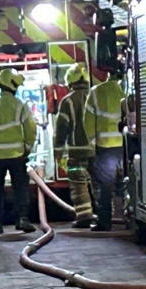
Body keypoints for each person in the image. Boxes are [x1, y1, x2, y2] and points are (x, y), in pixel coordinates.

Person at [0, 68, 37, 235]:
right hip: (16, 155)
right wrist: (27, 147)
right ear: (13, 86)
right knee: (20, 188)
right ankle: (22, 220)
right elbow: (30, 129)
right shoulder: (20, 105)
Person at [54, 64, 95, 228]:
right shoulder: (95, 96)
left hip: (77, 153)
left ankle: (85, 217)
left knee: (79, 185)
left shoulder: (68, 101)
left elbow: (61, 129)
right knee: (100, 185)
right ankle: (105, 216)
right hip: (98, 150)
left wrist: (58, 152)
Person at [84, 70, 125, 231]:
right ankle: (127, 218)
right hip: (126, 145)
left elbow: (87, 122)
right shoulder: (127, 88)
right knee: (125, 184)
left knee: (105, 187)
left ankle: (105, 221)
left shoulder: (96, 92)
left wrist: (93, 144)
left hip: (105, 147)